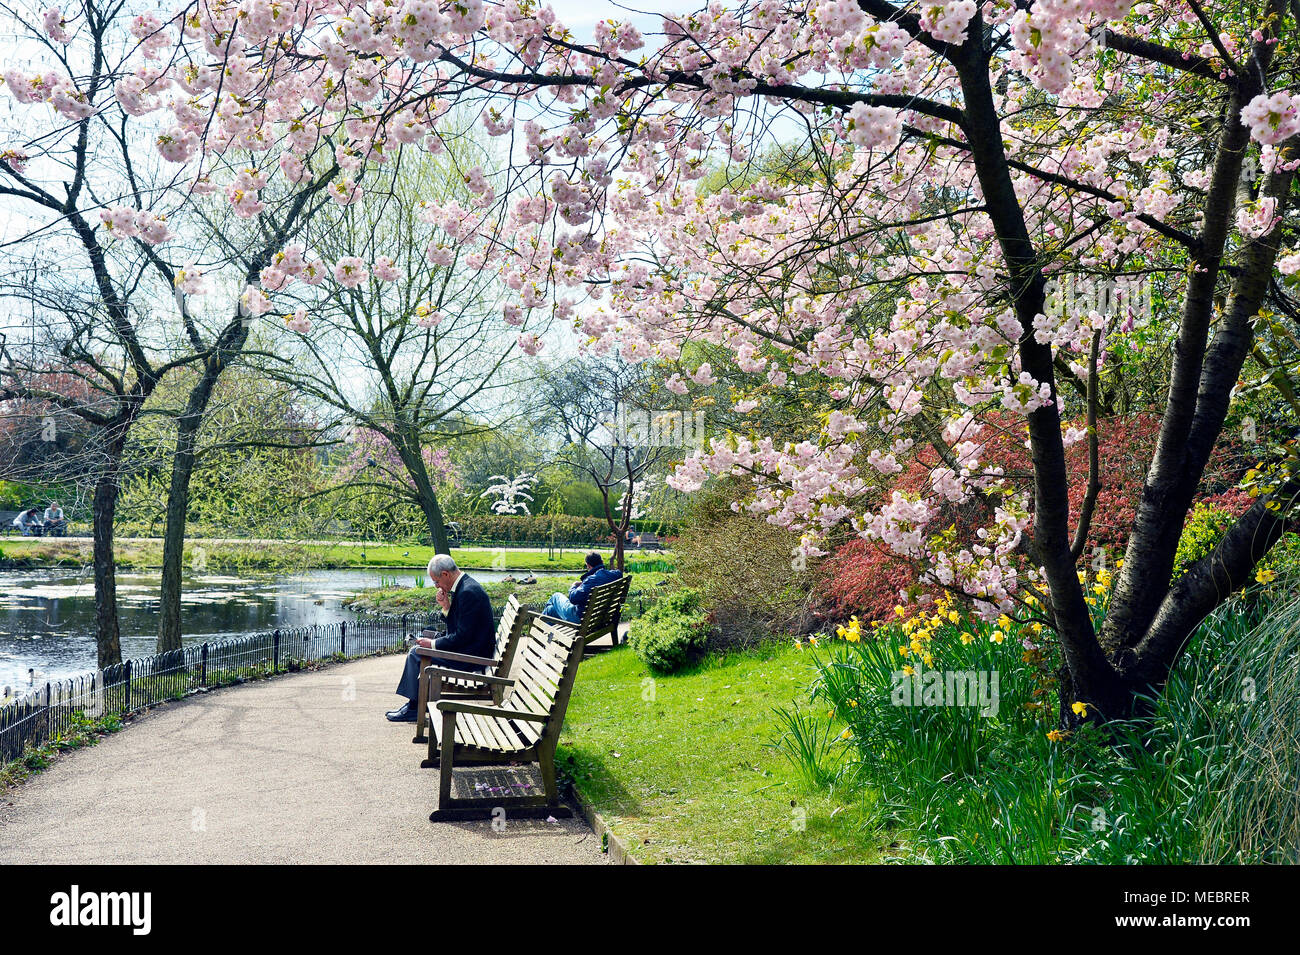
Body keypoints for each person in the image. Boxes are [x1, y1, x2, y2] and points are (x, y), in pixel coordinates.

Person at [386, 554, 494, 723]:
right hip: (472, 651)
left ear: (445, 574)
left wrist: (433, 644)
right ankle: (413, 705)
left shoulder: (468, 593)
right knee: (419, 650)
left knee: (416, 653)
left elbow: (461, 637)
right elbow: (460, 629)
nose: (436, 585)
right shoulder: (466, 587)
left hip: (472, 658)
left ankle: (414, 708)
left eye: (436, 581)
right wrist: (446, 607)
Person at [541, 552, 623, 625]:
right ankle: (541, 632)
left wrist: (573, 586)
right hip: (602, 617)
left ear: (588, 565)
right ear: (602, 562)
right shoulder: (615, 575)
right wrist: (585, 583)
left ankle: (538, 628)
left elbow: (573, 599)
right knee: (551, 610)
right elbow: (618, 573)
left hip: (580, 619)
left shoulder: (591, 580)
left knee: (556, 596)